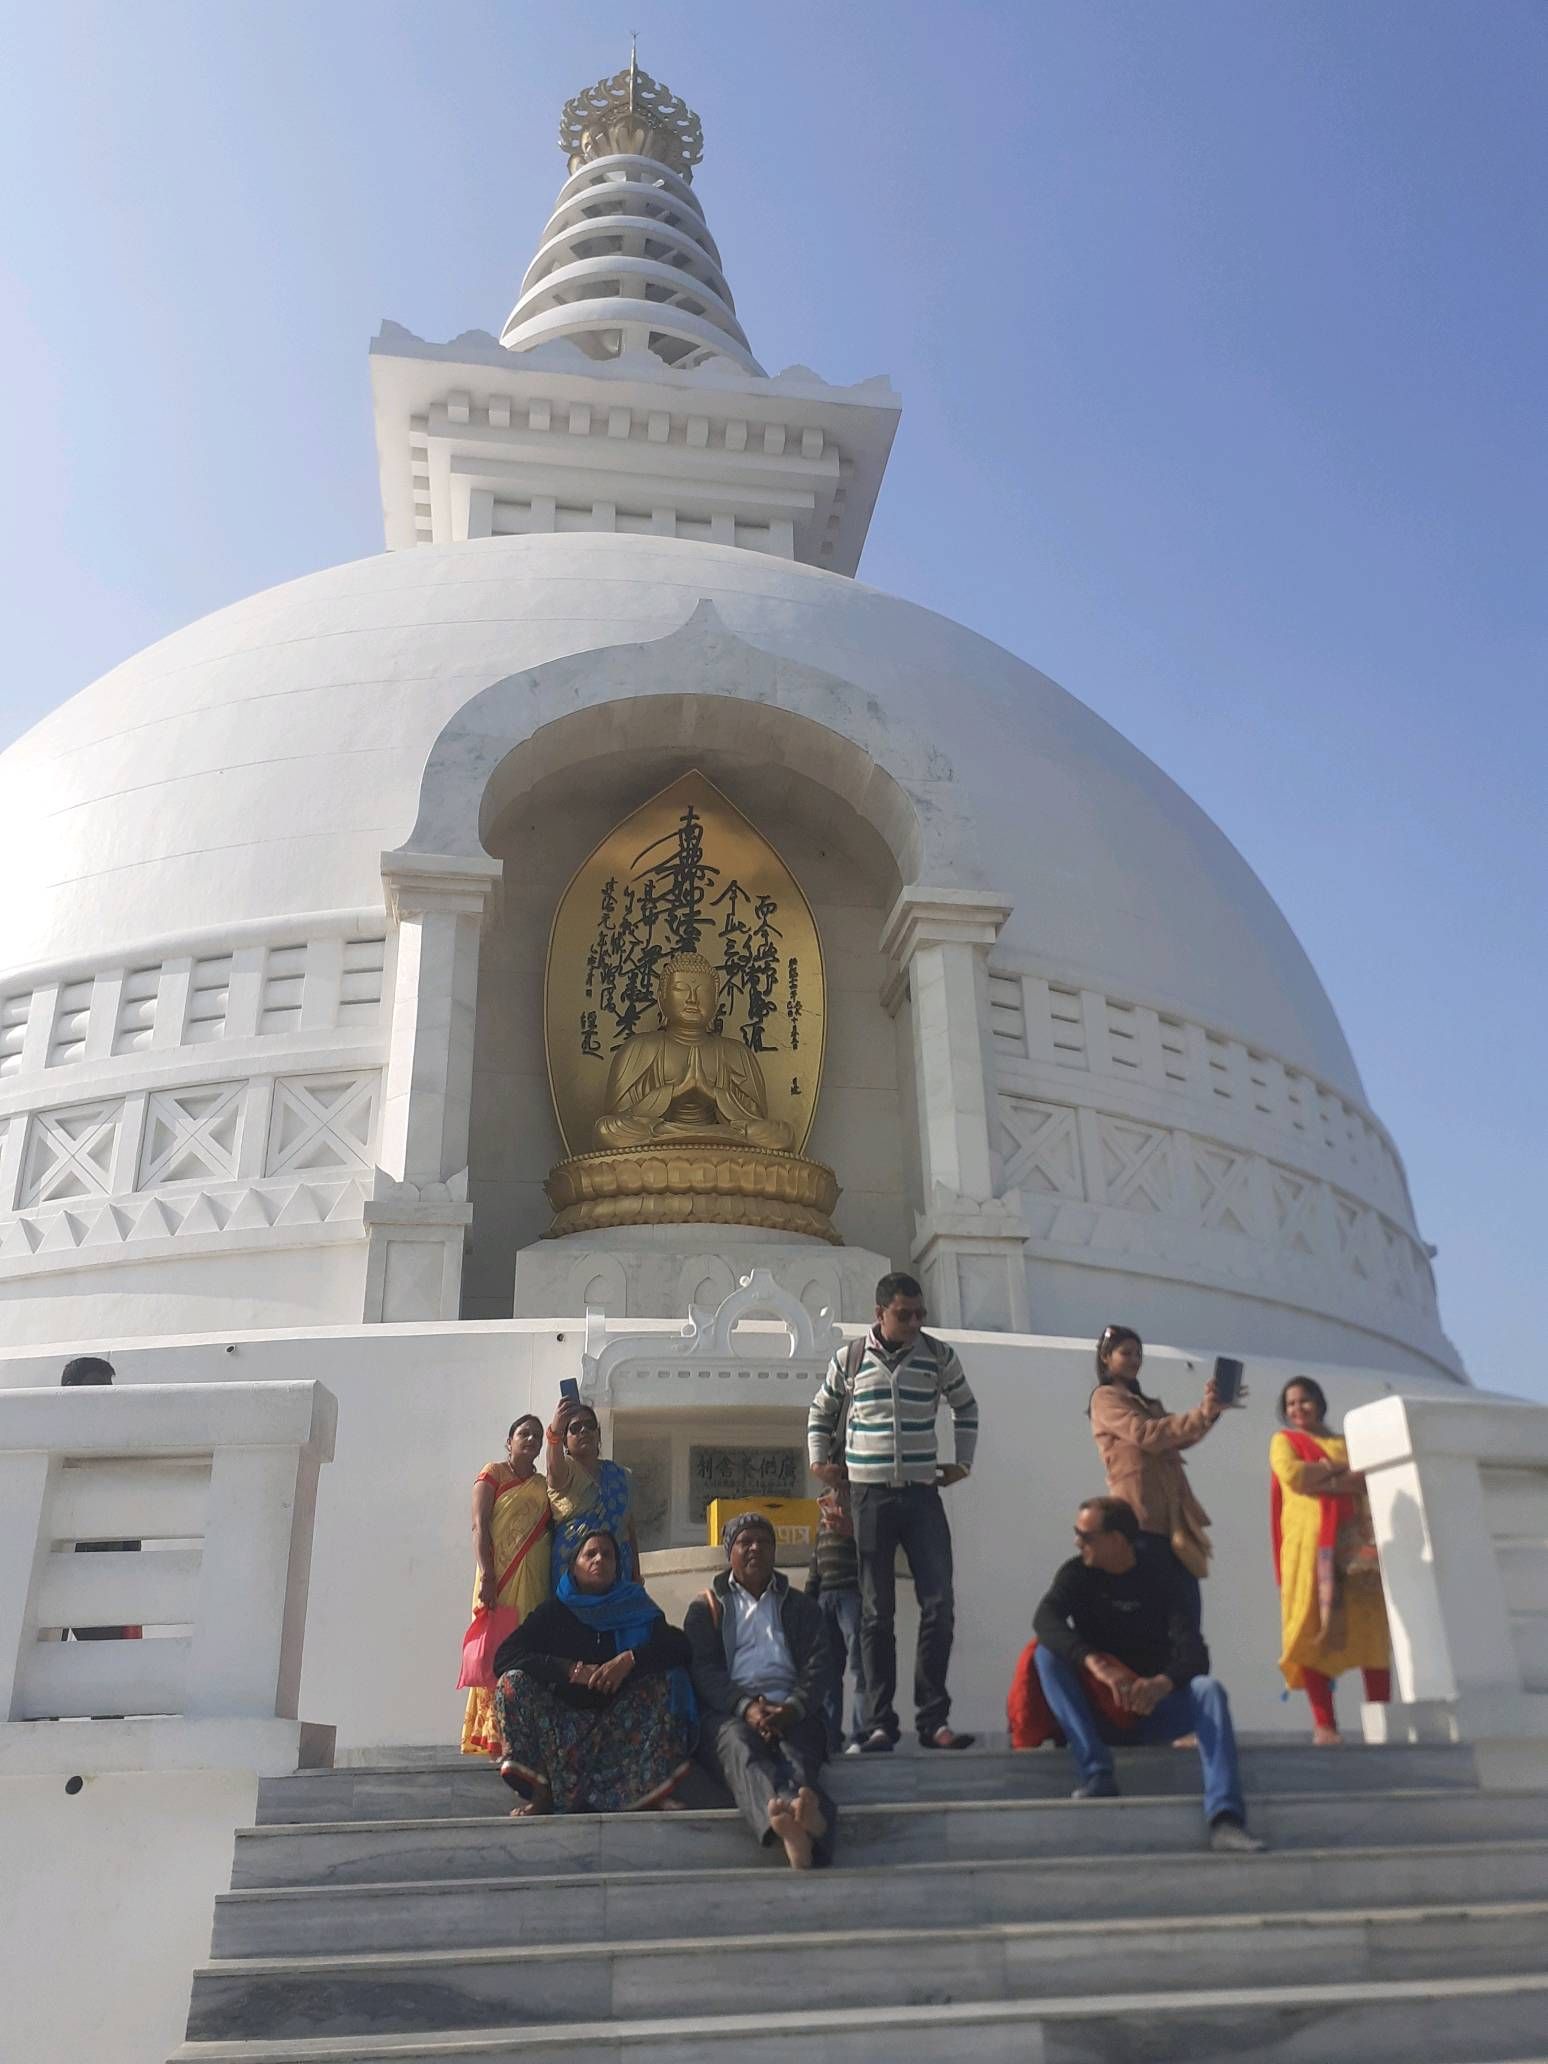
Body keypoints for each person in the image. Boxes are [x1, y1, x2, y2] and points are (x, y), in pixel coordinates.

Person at [807, 1271, 978, 1753]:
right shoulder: (852, 1358)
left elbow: (965, 1406)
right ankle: (880, 1722)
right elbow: (822, 1410)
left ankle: (933, 1719)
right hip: (869, 1495)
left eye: (920, 1314)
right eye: (905, 1315)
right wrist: (820, 1459)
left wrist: (963, 1461)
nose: (915, 1322)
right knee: (875, 1614)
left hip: (922, 1494)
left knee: (939, 1605)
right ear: (879, 1314)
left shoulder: (938, 1355)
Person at [1033, 1496, 1264, 1851]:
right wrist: (1094, 1662)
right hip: (1102, 1711)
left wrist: (1161, 1683)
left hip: (1152, 1710)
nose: (1079, 1543)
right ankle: (1097, 1772)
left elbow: (1194, 1654)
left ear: (1117, 1540)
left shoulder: (1163, 1578)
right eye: (1076, 1534)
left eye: (1087, 1536)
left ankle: (1225, 1818)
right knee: (1044, 1654)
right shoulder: (1077, 1573)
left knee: (1208, 1690)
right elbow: (1045, 1619)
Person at [492, 1529, 695, 1815]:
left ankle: (647, 1791)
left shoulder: (634, 1605)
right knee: (511, 1682)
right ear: (574, 1565)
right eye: (591, 1554)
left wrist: (629, 1659)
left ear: (617, 1566)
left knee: (669, 1679)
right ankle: (542, 1793)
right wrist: (569, 1670)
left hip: (620, 1723)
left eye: (608, 1555)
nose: (599, 1559)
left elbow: (679, 1646)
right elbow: (505, 1656)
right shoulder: (554, 1612)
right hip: (561, 1726)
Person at [685, 1511, 837, 1869]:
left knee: (797, 1757)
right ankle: (803, 1819)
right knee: (741, 1749)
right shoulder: (706, 1608)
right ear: (729, 1552)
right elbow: (702, 1670)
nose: (755, 1548)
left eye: (764, 1542)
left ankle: (794, 1818)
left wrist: (793, 1708)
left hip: (791, 1707)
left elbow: (820, 1665)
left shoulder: (801, 1606)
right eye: (745, 1542)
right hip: (731, 1712)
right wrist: (745, 1707)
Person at [1088, 1324, 1233, 1631]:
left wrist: (1211, 1412)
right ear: (1105, 1357)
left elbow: (1177, 1438)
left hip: (1172, 1521)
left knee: (1185, 1615)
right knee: (1156, 1615)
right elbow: (1148, 1435)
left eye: (1138, 1354)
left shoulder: (1146, 1404)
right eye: (1126, 1353)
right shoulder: (1105, 1398)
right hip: (1140, 1520)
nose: (1134, 1360)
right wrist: (1201, 1413)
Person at [1271, 1376, 1391, 1745]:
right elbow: (1293, 1475)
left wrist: (1322, 1475)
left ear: (1320, 1403)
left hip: (1354, 1549)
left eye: (1304, 1401)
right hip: (1308, 1551)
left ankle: (1383, 1720)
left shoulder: (1345, 1442)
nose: (1297, 1409)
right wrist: (1339, 1471)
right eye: (1291, 1404)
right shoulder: (1284, 1441)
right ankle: (1324, 1724)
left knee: (1371, 1630)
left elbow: (1366, 1479)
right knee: (1311, 1630)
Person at [460, 1413, 552, 1759]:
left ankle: (525, 1733)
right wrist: (486, 1574)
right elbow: (479, 1526)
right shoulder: (493, 1474)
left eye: (537, 1436)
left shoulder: (544, 1485)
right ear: (509, 1440)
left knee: (527, 1651)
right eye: (524, 1433)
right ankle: (495, 1735)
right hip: (497, 1580)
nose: (530, 1439)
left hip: (535, 1580)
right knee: (496, 1652)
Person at [57, 1354, 141, 1644]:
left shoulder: (118, 1442)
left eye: (108, 1387)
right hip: (55, 1567)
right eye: (96, 1385)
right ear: (69, 1389)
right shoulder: (48, 1438)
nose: (104, 1394)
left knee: (112, 1665)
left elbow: (130, 1513)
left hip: (105, 1574)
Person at [545, 1395, 640, 1580]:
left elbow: (628, 1527)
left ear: (598, 1434)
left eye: (589, 1426)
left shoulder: (619, 1475)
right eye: (575, 1428)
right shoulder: (565, 1471)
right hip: (572, 1572)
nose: (584, 1431)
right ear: (564, 1440)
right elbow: (553, 1469)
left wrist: (636, 1574)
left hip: (617, 1573)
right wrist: (554, 1430)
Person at [805, 1486, 865, 1752]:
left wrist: (850, 1528)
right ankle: (830, 1736)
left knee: (860, 1665)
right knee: (828, 1671)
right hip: (825, 1597)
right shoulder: (822, 1519)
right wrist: (809, 1600)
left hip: (852, 1593)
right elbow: (815, 1563)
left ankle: (862, 1733)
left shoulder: (858, 1511)